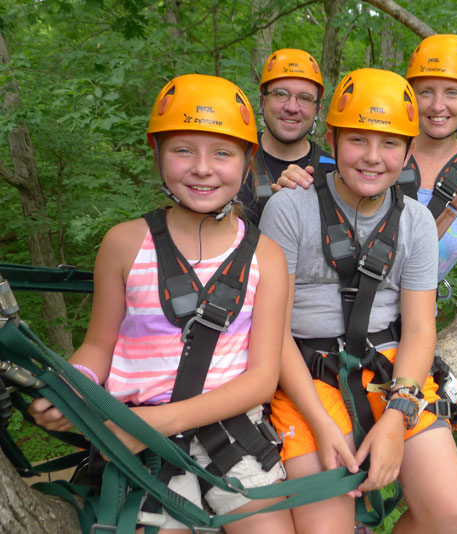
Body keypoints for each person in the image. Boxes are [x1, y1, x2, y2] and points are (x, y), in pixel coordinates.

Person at [29, 74, 295, 534]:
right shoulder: (125, 244)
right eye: (183, 149)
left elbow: (260, 380)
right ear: (158, 154)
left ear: (249, 161)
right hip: (136, 431)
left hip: (232, 432)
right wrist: (73, 385)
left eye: (222, 152)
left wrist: (154, 423)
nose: (202, 168)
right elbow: (98, 347)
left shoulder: (267, 257)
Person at [278, 34, 457, 372]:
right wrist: (290, 182)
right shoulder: (368, 159)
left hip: (409, 334)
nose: (436, 105)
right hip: (324, 336)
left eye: (452, 92)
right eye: (425, 91)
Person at [260, 68, 457, 534]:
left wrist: (398, 415)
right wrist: (320, 421)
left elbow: (418, 328)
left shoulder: (414, 223)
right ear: (331, 142)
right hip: (305, 374)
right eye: (357, 140)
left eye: (391, 143)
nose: (373, 157)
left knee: (448, 509)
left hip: (392, 368)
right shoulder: (289, 210)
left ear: (410, 151)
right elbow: (271, 331)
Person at [237, 48, 337, 226]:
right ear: (263, 101)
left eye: (305, 98)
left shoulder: (332, 172)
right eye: (281, 94)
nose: (292, 107)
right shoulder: (233, 160)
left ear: (317, 110)